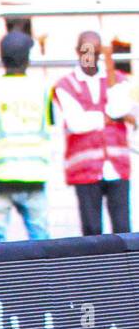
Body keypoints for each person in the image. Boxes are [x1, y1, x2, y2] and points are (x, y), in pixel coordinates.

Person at [0, 31, 54, 242]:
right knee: (42, 244)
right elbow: (50, 126)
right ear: (27, 59)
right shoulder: (43, 89)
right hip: (35, 176)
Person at [54, 30, 132, 235]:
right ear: (77, 51)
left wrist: (110, 66)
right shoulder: (65, 85)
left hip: (117, 166)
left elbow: (119, 109)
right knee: (92, 231)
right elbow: (76, 122)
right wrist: (107, 118)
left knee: (123, 228)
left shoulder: (119, 79)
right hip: (85, 169)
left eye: (96, 52)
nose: (90, 57)